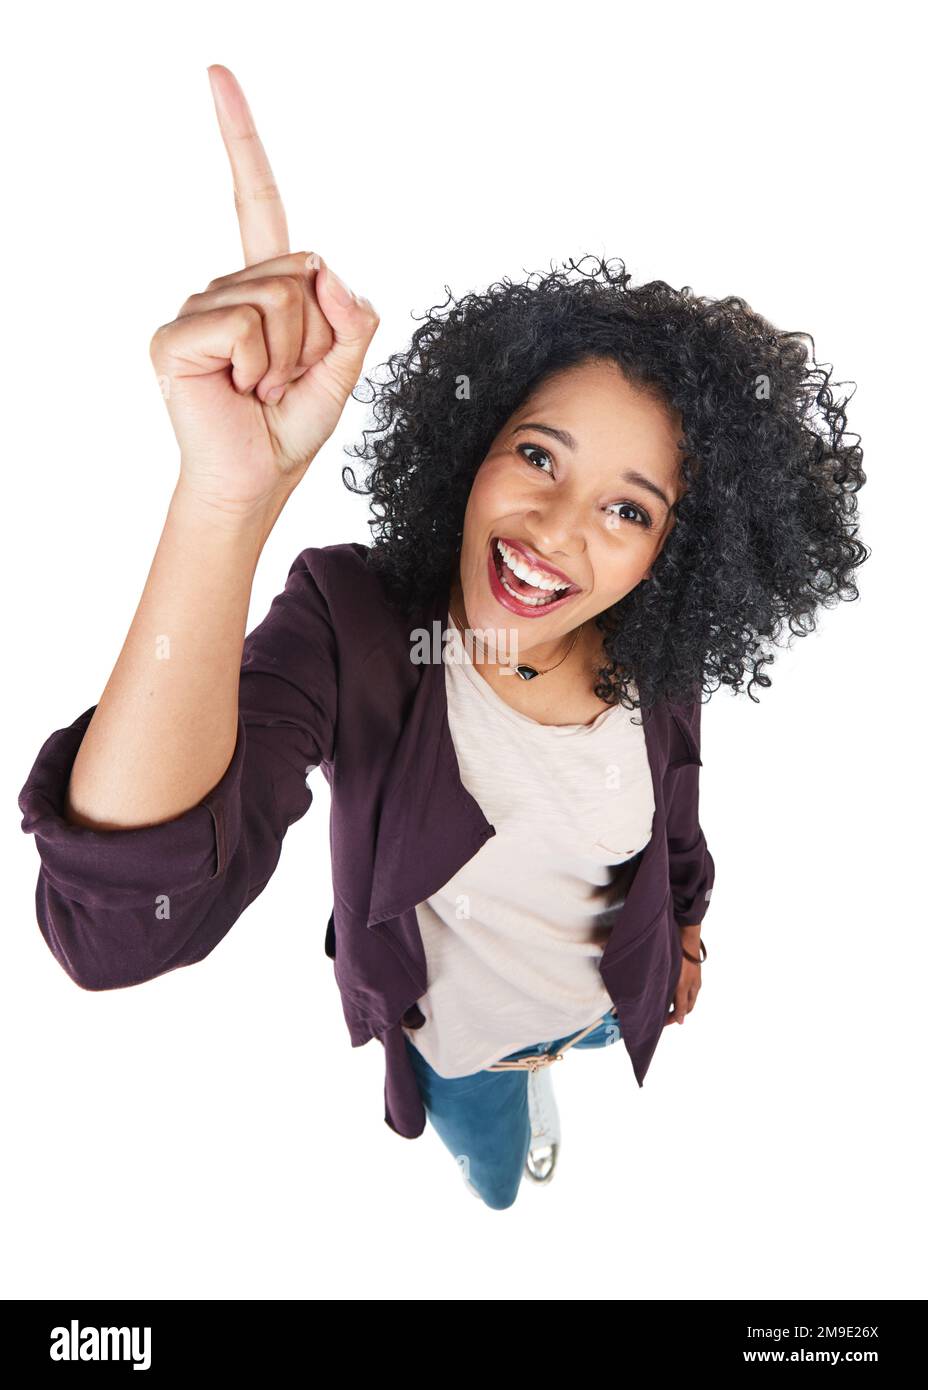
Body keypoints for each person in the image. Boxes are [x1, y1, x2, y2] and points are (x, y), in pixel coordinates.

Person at [17, 65, 869, 1211]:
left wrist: (691, 928)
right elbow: (119, 930)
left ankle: (566, 1065)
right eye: (536, 455)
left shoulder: (652, 656)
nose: (559, 532)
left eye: (629, 509)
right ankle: (504, 1141)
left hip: (610, 1000)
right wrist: (227, 499)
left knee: (582, 1044)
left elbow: (673, 816)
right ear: (470, 448)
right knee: (496, 1179)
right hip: (461, 1047)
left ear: (673, 553)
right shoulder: (357, 628)